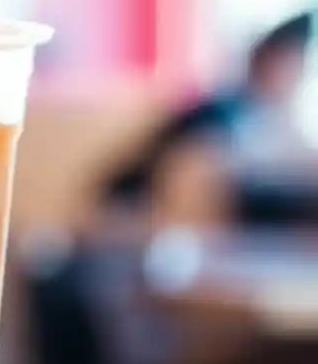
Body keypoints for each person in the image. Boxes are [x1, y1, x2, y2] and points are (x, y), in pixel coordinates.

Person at [105, 12, 315, 228]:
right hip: (174, 216)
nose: (292, 75)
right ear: (260, 58)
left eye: (297, 66)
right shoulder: (218, 113)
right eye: (284, 62)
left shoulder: (282, 123)